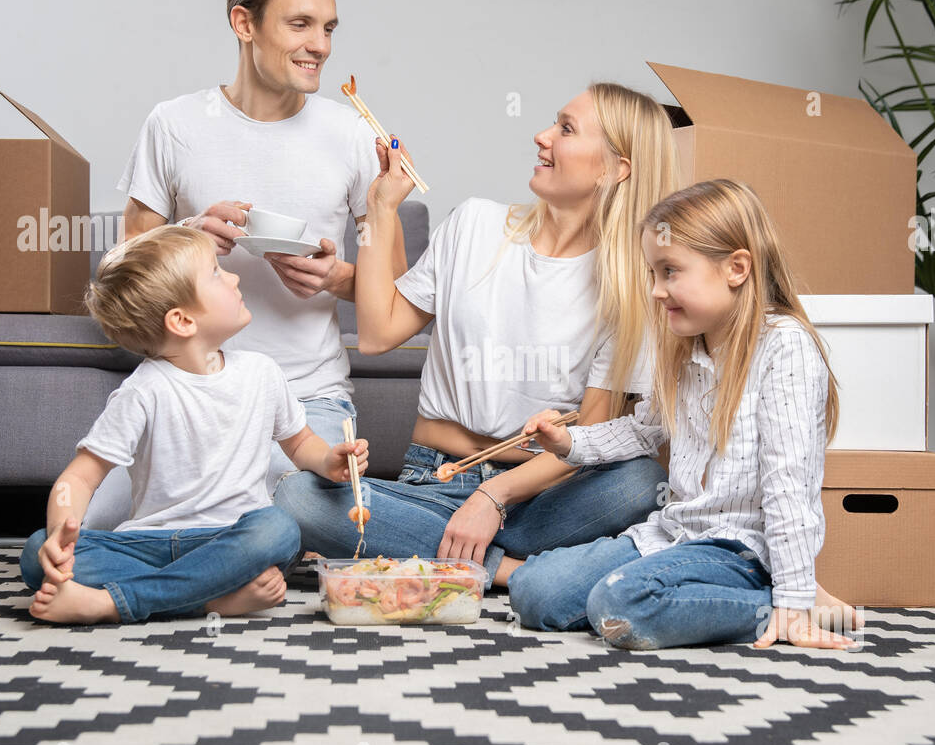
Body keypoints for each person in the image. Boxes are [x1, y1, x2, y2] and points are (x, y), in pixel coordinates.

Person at [275, 83, 678, 589]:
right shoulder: (474, 224)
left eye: (566, 129)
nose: (541, 136)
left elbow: (589, 441)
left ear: (616, 168)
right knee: (297, 499)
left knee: (640, 484)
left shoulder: (629, 290)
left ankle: (439, 553)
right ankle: (512, 571)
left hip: (542, 496)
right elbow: (377, 334)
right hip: (435, 481)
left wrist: (494, 498)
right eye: (553, 123)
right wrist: (380, 208)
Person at [84, 0, 402, 530]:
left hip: (308, 402)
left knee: (284, 514)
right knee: (80, 534)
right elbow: (120, 278)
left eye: (329, 28)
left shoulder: (353, 135)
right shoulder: (174, 125)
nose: (320, 46)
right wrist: (188, 235)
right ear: (244, 23)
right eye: (301, 24)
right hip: (190, 391)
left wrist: (337, 278)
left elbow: (397, 302)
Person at [508, 179, 863, 650]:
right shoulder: (684, 348)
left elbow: (789, 485)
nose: (656, 291)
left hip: (739, 550)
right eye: (653, 274)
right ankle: (725, 599)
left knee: (620, 606)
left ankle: (783, 602)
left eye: (670, 271)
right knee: (532, 591)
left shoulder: (785, 347)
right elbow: (643, 431)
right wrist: (569, 444)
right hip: (674, 535)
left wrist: (794, 592)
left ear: (736, 268)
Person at [20, 225, 369, 625]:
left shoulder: (262, 372)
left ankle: (114, 602)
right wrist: (59, 537)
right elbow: (79, 478)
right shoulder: (143, 391)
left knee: (278, 528)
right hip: (146, 543)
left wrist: (328, 461)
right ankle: (206, 598)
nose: (235, 276)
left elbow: (301, 442)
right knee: (35, 553)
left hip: (231, 538)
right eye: (217, 273)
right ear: (183, 321)